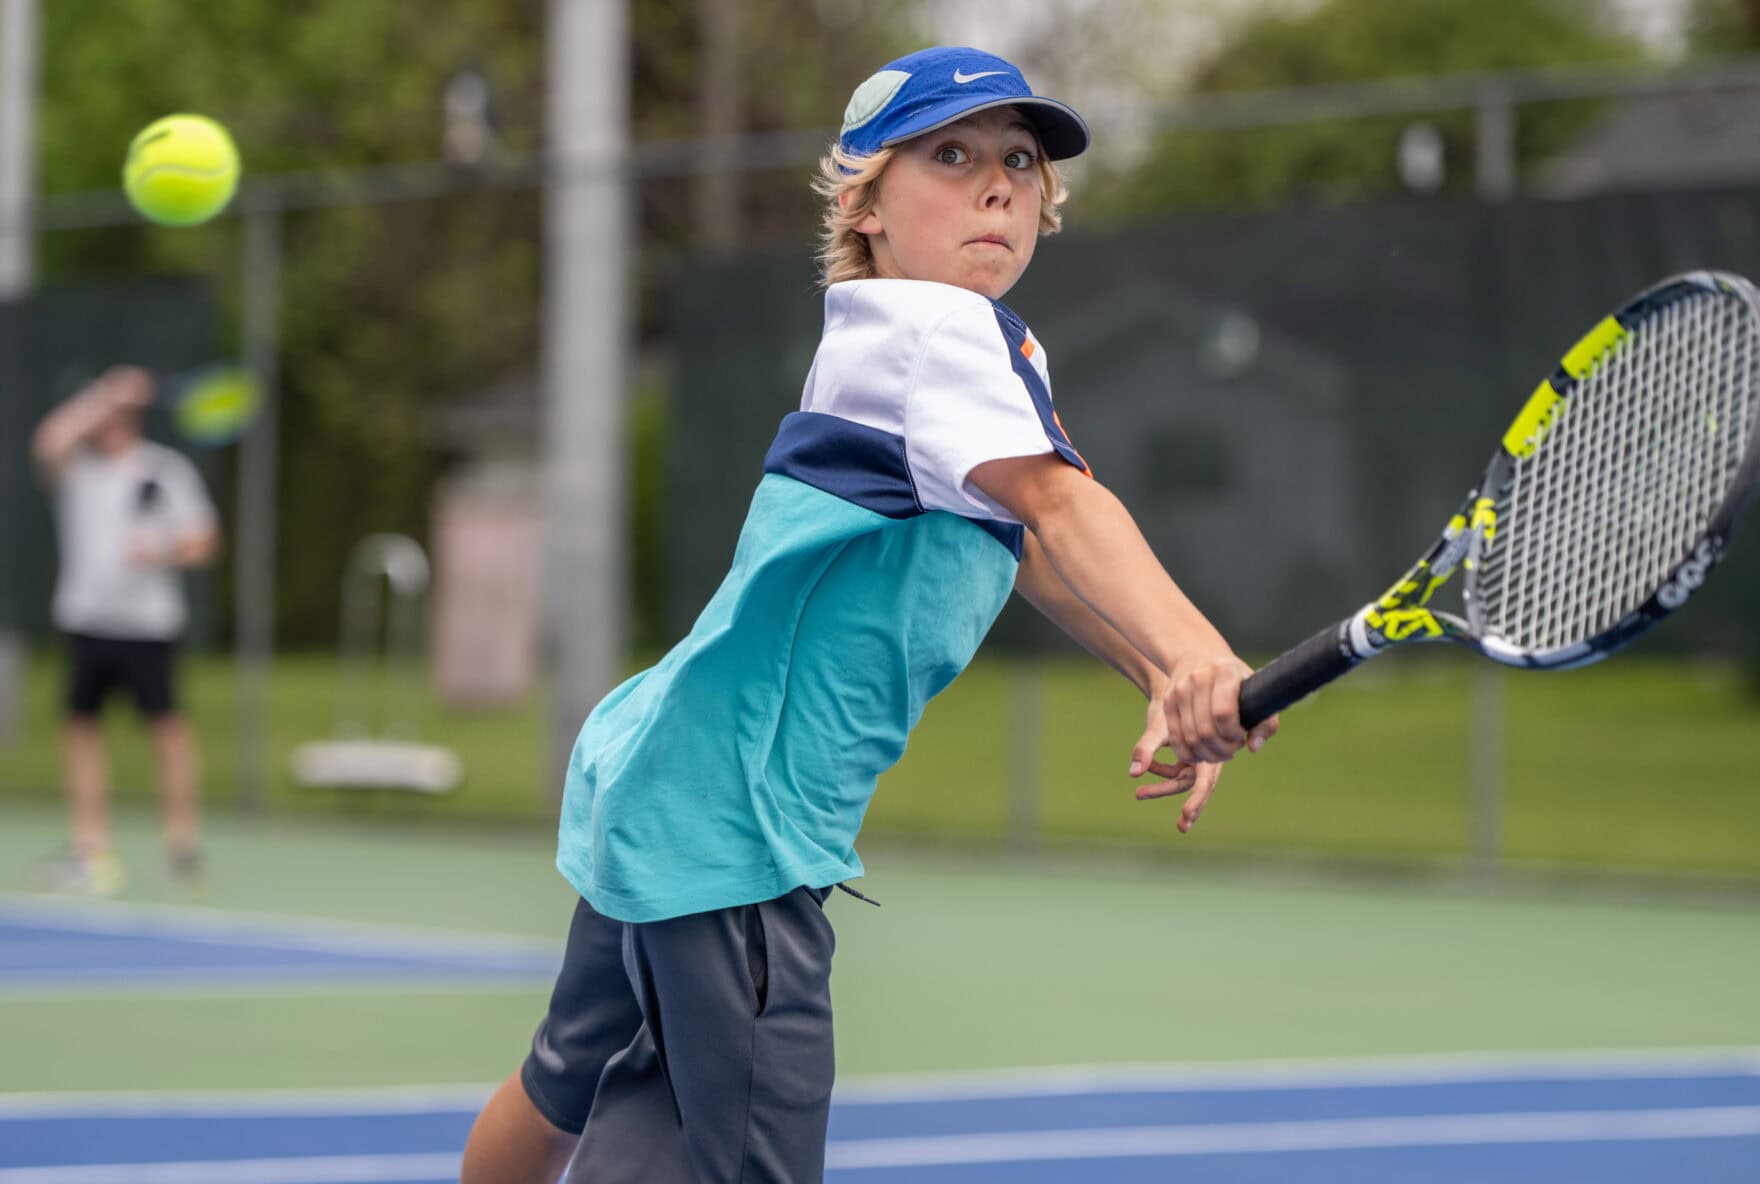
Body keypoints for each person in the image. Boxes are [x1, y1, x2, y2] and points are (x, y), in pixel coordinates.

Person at [459, 45, 1279, 1184]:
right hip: (735, 828)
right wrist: (1197, 651)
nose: (997, 183)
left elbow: (1030, 542)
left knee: (570, 1090)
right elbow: (1061, 502)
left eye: (1020, 161)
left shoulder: (929, 343)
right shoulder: (938, 334)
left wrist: (1157, 674)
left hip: (661, 777)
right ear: (866, 202)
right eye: (950, 154)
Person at [30, 365, 220, 894]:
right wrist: (106, 390)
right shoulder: (76, 471)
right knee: (80, 733)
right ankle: (92, 850)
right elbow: (48, 440)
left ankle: (182, 847)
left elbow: (204, 541)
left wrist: (160, 551)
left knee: (168, 734)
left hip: (148, 627)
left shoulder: (166, 471)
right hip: (86, 622)